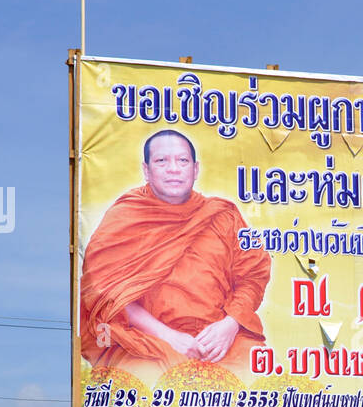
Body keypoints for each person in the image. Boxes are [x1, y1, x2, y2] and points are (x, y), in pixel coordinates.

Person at [79, 130, 272, 376]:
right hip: (147, 339)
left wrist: (230, 324)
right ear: (146, 169)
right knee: (145, 384)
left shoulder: (224, 215)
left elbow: (253, 276)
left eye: (182, 161)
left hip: (218, 338)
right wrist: (169, 337)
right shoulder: (126, 217)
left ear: (196, 169)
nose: (174, 169)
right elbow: (106, 293)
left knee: (256, 376)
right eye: (162, 161)